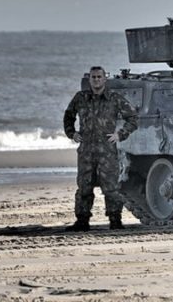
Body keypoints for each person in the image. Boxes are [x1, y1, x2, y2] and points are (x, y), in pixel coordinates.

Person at [63, 66, 138, 231]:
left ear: (105, 79)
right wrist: (72, 133)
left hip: (107, 151)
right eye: (93, 77)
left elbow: (132, 118)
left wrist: (120, 134)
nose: (96, 80)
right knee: (84, 187)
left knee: (111, 187)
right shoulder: (81, 98)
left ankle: (115, 220)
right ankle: (82, 221)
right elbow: (68, 115)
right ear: (89, 79)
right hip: (86, 151)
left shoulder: (114, 98)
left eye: (99, 77)